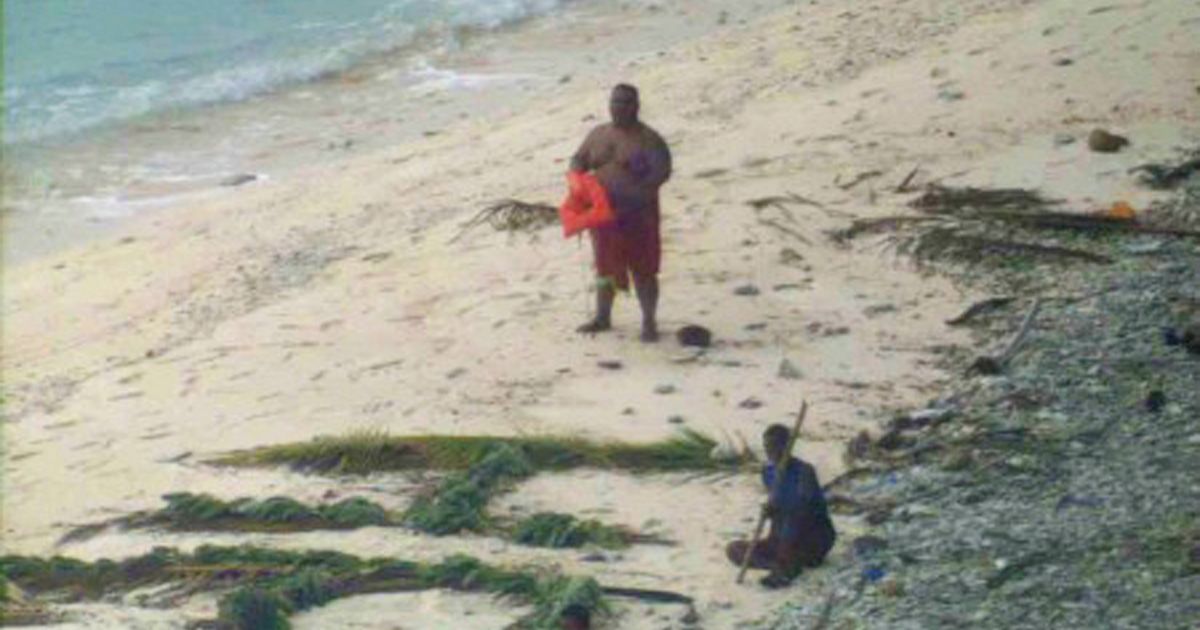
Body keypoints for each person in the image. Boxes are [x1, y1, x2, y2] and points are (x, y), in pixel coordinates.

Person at [569, 84, 672, 342]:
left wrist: (632, 197)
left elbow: (660, 174)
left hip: (639, 215)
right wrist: (578, 182)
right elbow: (578, 159)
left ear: (636, 106)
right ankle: (602, 317)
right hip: (603, 216)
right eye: (615, 102)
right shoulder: (598, 134)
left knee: (643, 270)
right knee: (605, 268)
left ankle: (649, 322)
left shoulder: (649, 139)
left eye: (625, 102)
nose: (619, 107)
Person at [726, 424, 837, 588]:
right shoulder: (768, 473)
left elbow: (807, 509)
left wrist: (782, 511)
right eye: (767, 447)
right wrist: (769, 511)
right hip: (780, 539)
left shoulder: (804, 471)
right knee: (734, 549)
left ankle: (786, 563)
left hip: (812, 537)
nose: (769, 451)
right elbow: (777, 506)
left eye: (774, 446)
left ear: (787, 446)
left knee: (793, 521)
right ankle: (778, 565)